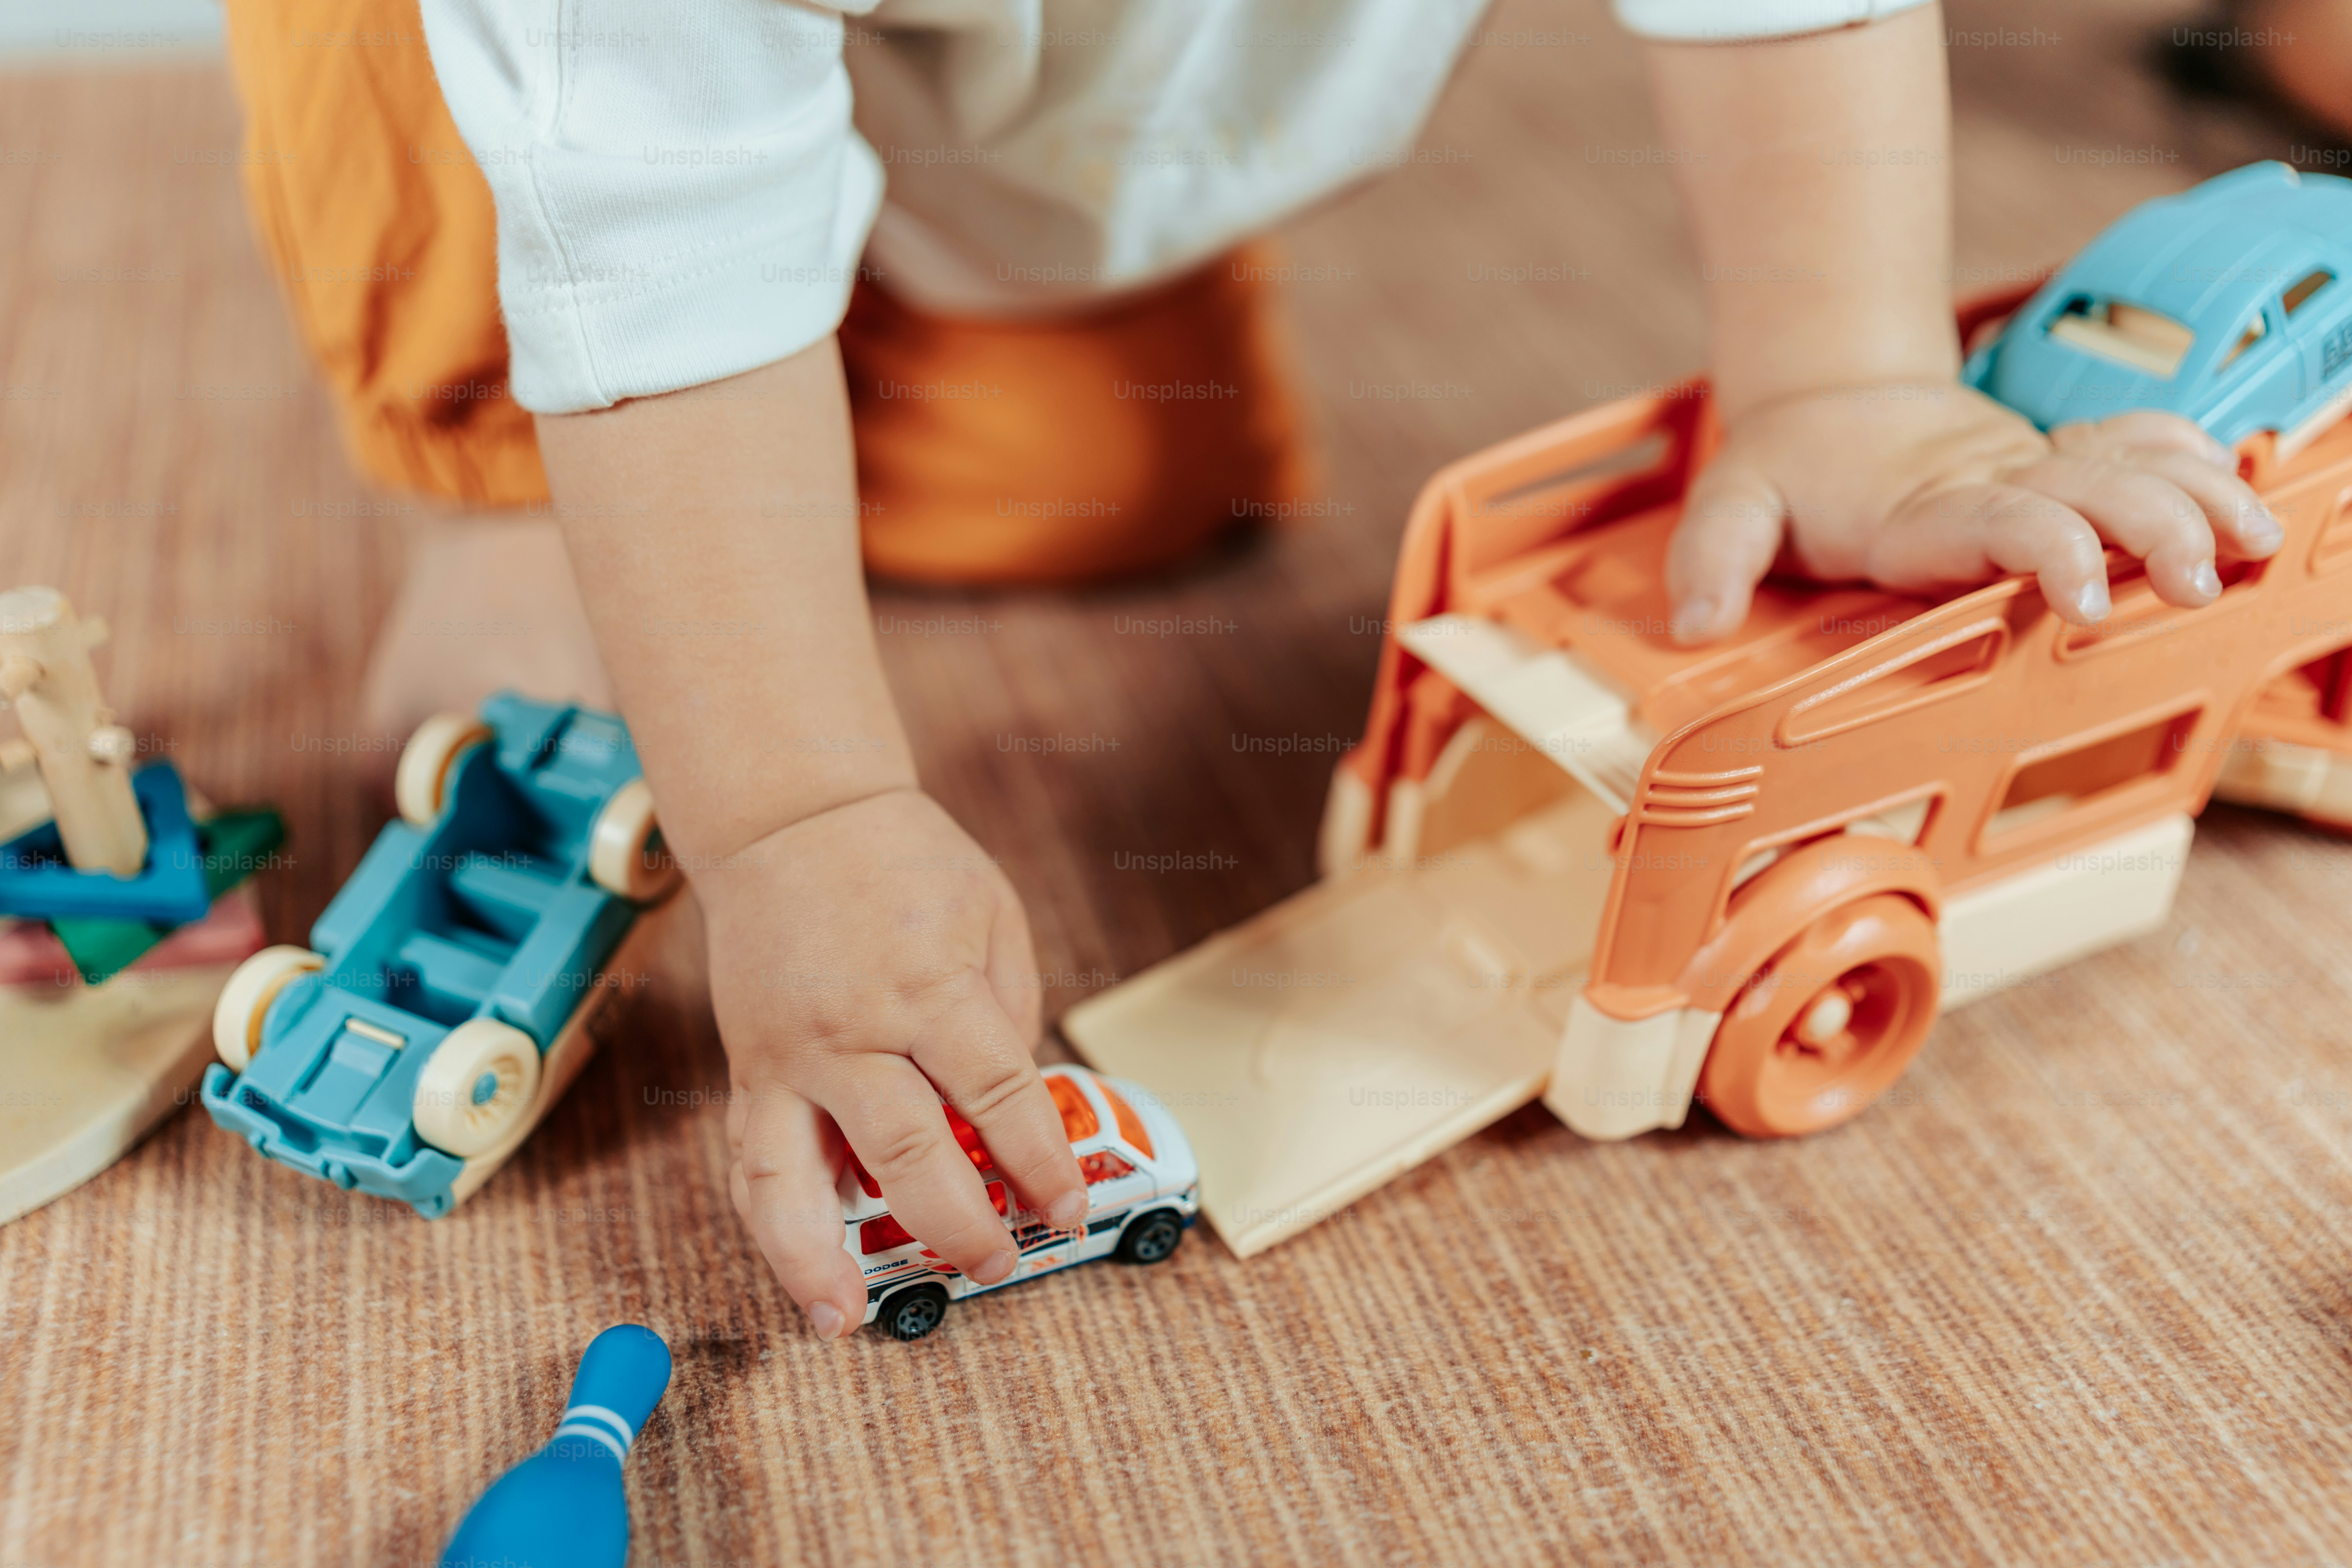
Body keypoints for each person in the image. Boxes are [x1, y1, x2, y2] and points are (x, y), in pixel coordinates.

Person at [222, 0, 2276, 1339]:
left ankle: (853, 273)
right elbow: (654, 225)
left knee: (1103, 484)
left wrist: (1846, 380)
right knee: (603, 320)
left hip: (1077, 98)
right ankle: (497, 467)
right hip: (586, 80)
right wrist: (797, 811)